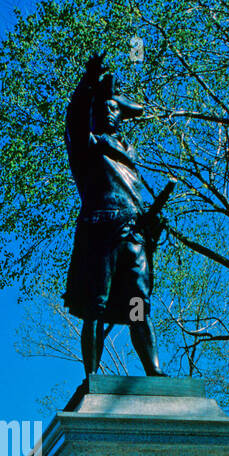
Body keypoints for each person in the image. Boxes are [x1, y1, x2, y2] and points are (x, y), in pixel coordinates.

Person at [63, 51, 175, 376]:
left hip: (134, 234)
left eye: (114, 109)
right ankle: (92, 375)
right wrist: (89, 82)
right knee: (96, 306)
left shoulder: (128, 155)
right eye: (103, 108)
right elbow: (74, 115)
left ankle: (153, 371)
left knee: (138, 303)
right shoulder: (87, 146)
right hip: (101, 233)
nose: (109, 113)